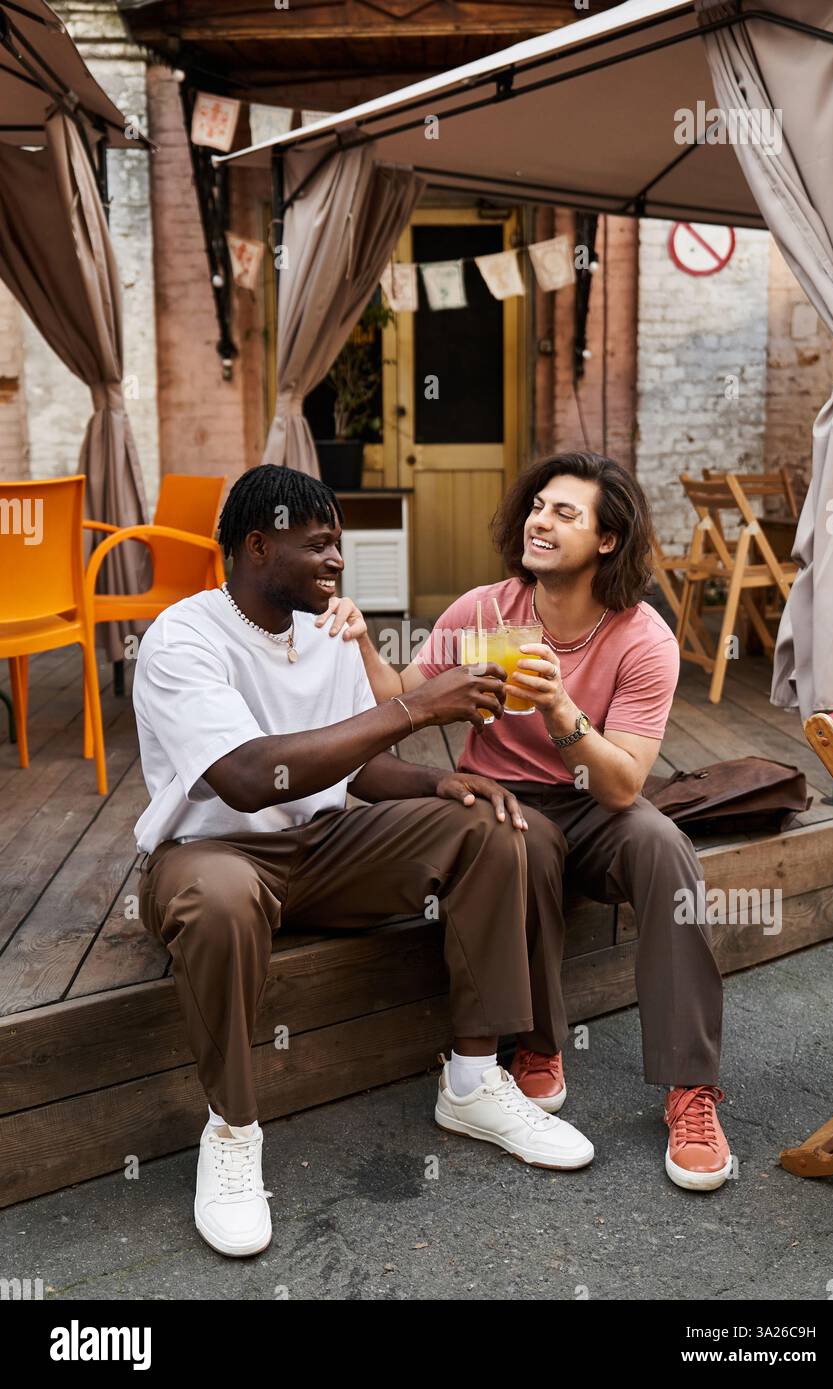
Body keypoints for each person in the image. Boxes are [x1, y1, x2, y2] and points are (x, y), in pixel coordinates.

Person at [132, 464, 594, 1260]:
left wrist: (441, 779)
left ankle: (474, 1082)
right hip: (211, 855)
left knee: (485, 824)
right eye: (318, 546)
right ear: (255, 545)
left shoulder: (323, 631)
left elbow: (355, 769)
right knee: (220, 896)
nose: (337, 561)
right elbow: (247, 778)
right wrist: (415, 706)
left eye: (338, 545)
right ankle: (233, 1132)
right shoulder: (183, 637)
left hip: (323, 846)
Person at [318, 450, 731, 1192]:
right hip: (502, 799)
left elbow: (624, 783)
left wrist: (558, 704)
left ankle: (691, 1090)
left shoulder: (643, 637)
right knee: (522, 839)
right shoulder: (482, 610)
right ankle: (538, 1046)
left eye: (565, 512)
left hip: (596, 800)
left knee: (665, 847)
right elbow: (398, 700)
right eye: (538, 506)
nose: (541, 520)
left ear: (607, 539)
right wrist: (359, 637)